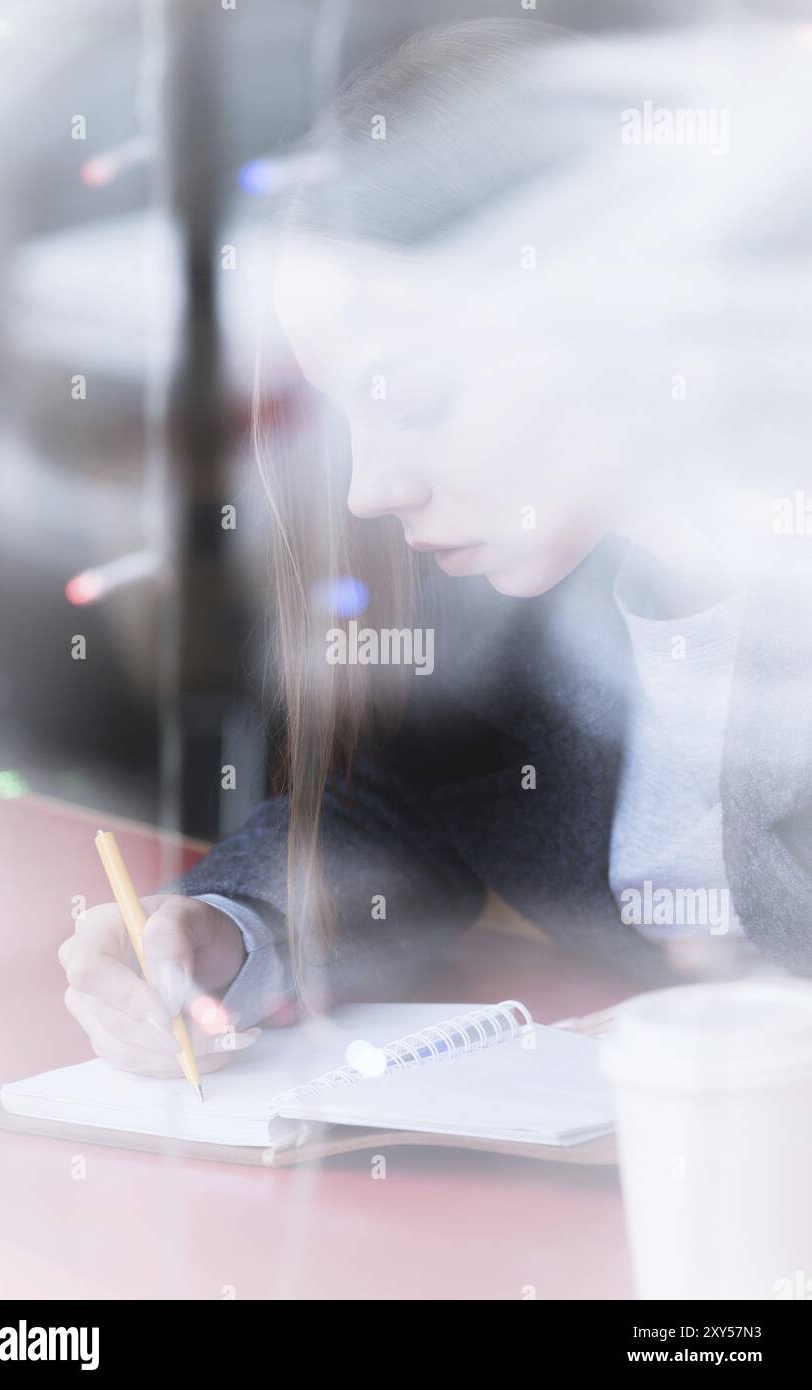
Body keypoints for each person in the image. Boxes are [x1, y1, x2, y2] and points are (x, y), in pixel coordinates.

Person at [58, 18, 812, 1077]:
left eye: (412, 395)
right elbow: (405, 808)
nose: (374, 485)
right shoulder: (560, 623)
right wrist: (225, 932)